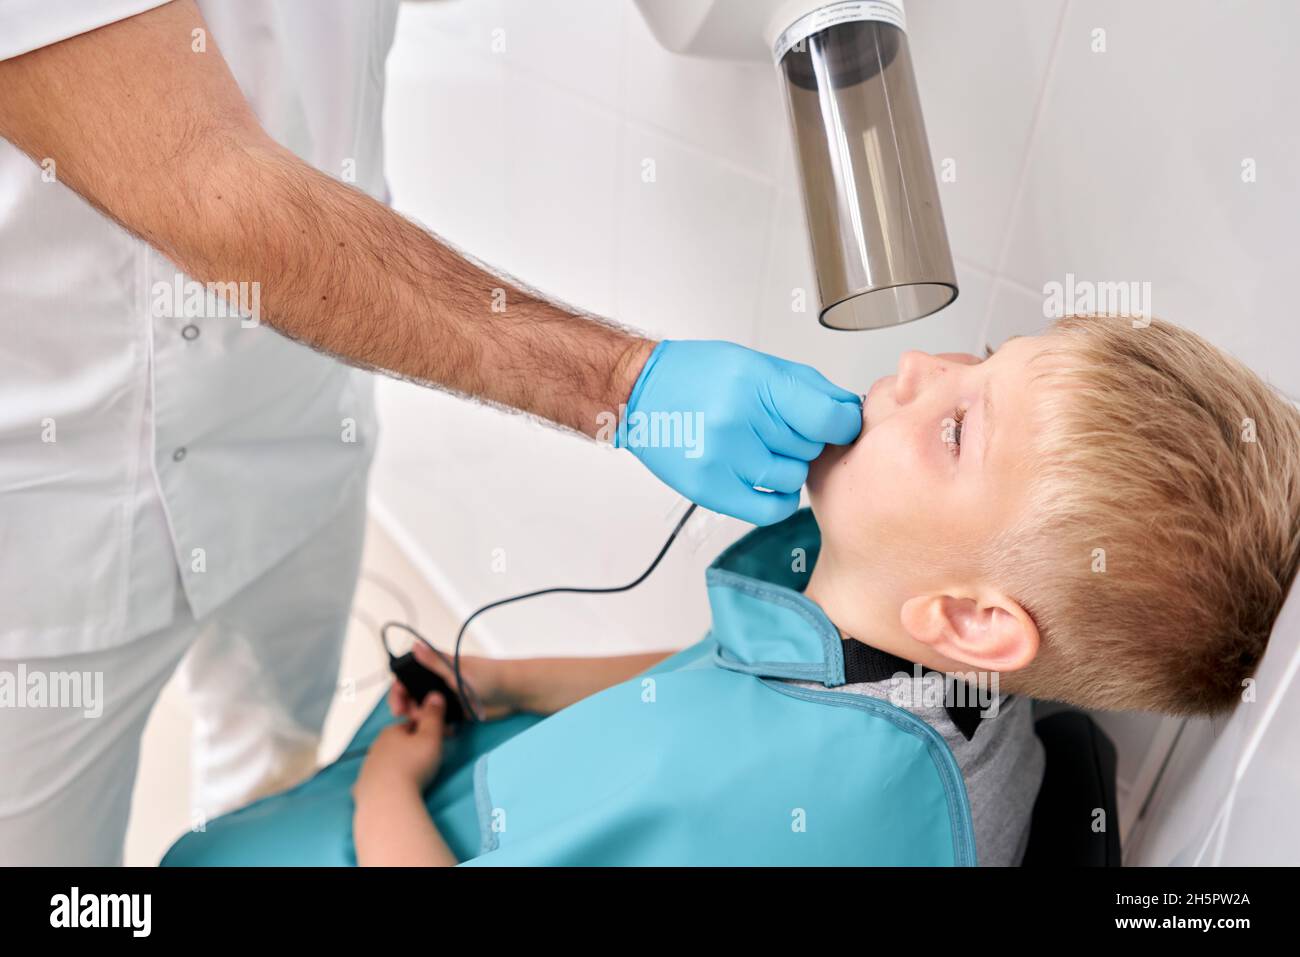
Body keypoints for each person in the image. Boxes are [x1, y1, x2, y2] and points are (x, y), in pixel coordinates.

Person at [0, 1, 860, 865]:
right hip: (61, 503)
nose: (919, 372)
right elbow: (203, 182)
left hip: (293, 425)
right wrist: (622, 383)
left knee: (276, 771)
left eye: (963, 420)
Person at [345, 315, 1300, 866]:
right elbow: (724, 688)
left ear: (974, 617)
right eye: (981, 354)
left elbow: (735, 750)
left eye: (960, 427)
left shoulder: (805, 806)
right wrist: (509, 681)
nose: (923, 368)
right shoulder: (942, 681)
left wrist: (388, 783)